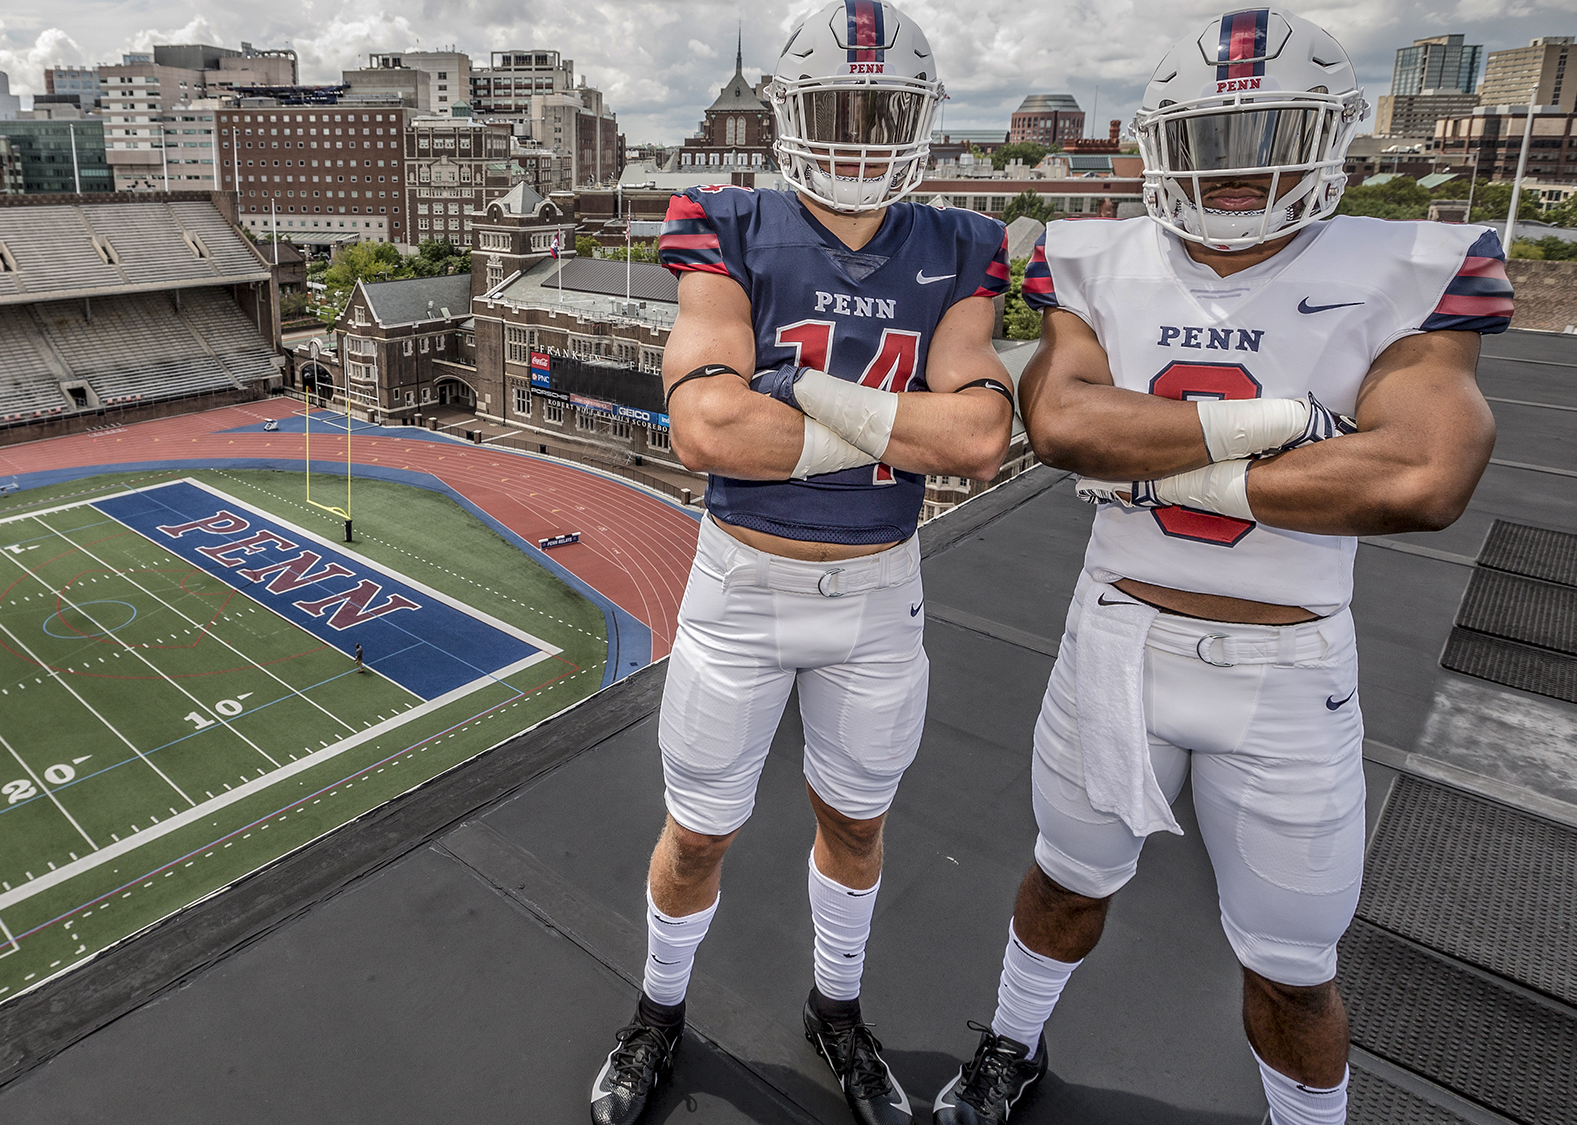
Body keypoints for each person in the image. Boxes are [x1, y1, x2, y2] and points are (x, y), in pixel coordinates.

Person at [929, 10, 1511, 1125]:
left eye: (1270, 133)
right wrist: (1298, 432)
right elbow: (1060, 425)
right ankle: (1009, 1043)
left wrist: (1162, 470)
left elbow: (1420, 475)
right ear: (1159, 143)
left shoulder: (1407, 262)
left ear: (1329, 131)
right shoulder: (1094, 253)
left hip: (1287, 662)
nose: (1237, 172)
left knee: (1292, 968)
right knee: (1060, 881)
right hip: (1114, 640)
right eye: (1206, 141)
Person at [586, 4, 1018, 1123]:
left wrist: (793, 388)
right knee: (696, 830)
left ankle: (837, 1010)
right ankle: (657, 1011)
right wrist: (899, 415)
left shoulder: (961, 240)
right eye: (837, 108)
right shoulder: (722, 218)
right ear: (785, 113)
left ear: (924, 118)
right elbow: (710, 434)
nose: (862, 136)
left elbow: (977, 440)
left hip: (877, 594)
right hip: (741, 591)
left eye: (885, 111)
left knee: (858, 826)